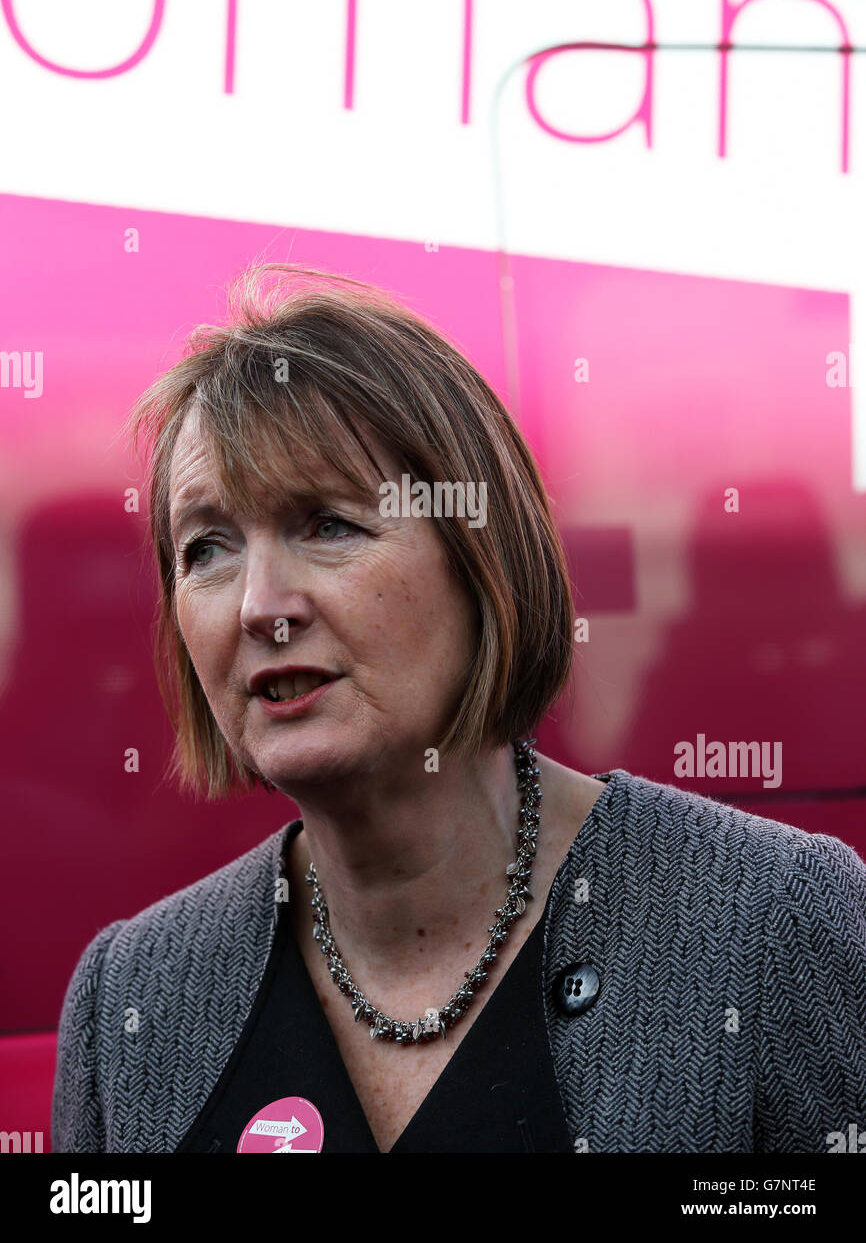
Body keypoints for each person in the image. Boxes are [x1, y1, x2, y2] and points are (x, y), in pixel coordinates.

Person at [52, 263, 866, 1153]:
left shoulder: (775, 920)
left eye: (328, 524)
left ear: (483, 563)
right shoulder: (130, 1004)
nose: (260, 605)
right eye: (206, 547)